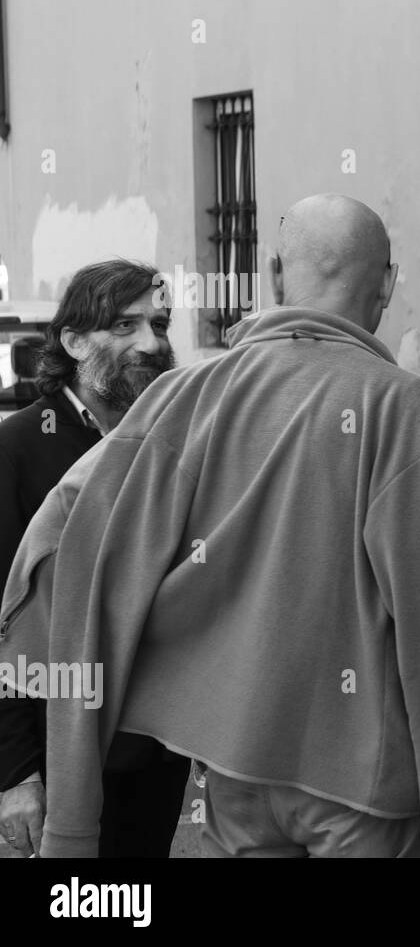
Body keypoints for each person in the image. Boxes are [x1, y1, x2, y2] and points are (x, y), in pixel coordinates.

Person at [0, 194, 420, 858]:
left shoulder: (181, 399)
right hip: (364, 789)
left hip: (234, 778)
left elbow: (63, 550)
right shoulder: (407, 409)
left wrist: (70, 829)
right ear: (388, 286)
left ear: (276, 276)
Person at [0, 259, 189, 858]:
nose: (152, 343)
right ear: (74, 341)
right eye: (126, 326)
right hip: (60, 754)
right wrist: (15, 775)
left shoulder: (177, 442)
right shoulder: (17, 448)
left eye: (159, 325)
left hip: (156, 753)